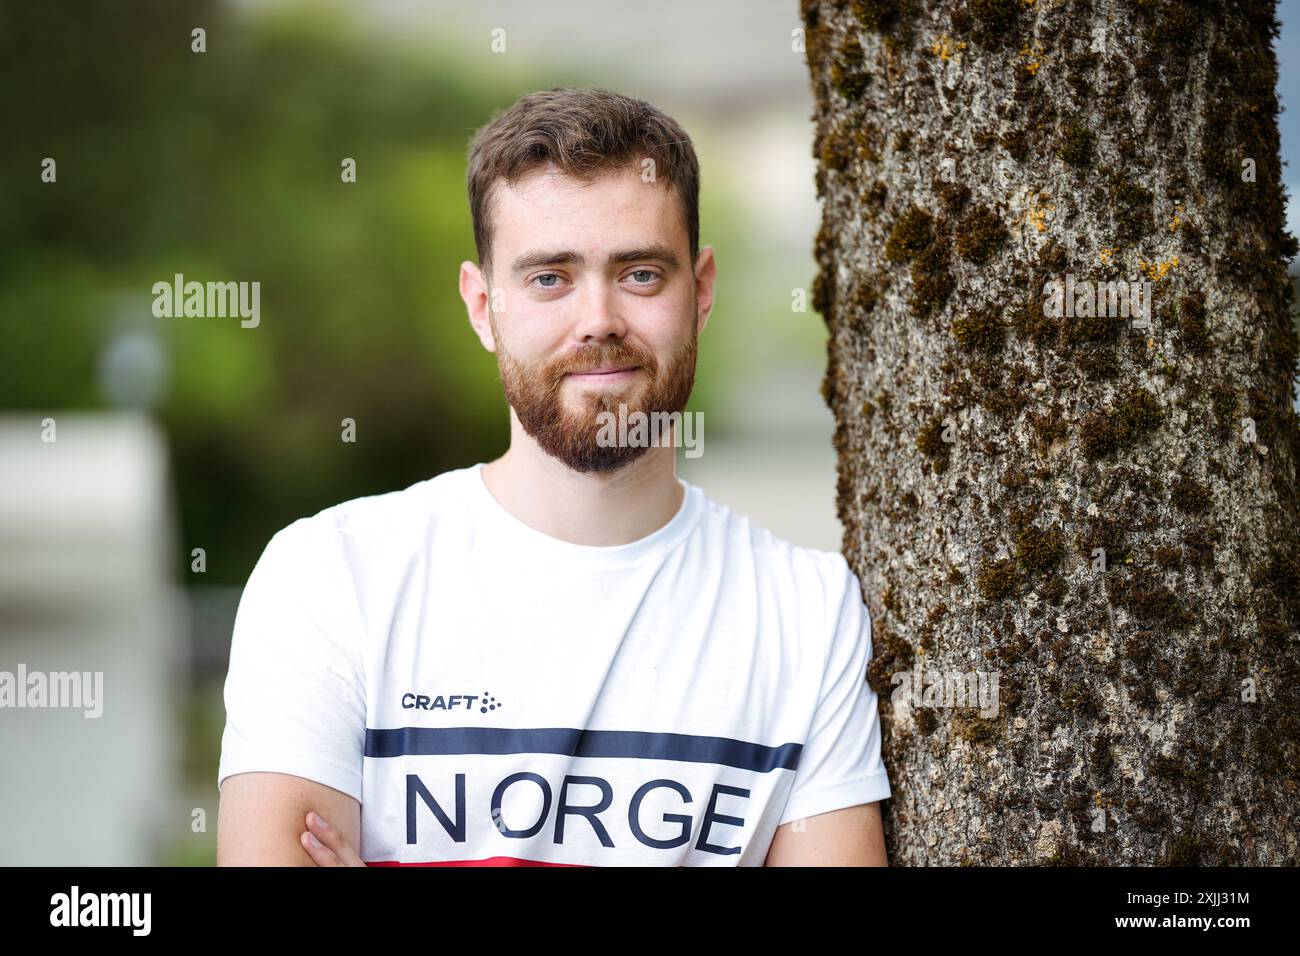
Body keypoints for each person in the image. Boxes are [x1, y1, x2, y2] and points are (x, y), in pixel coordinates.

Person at [216, 87, 890, 866]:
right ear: (482, 306)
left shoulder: (807, 615)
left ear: (699, 293)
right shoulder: (331, 577)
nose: (598, 319)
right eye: (549, 279)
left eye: (639, 274)